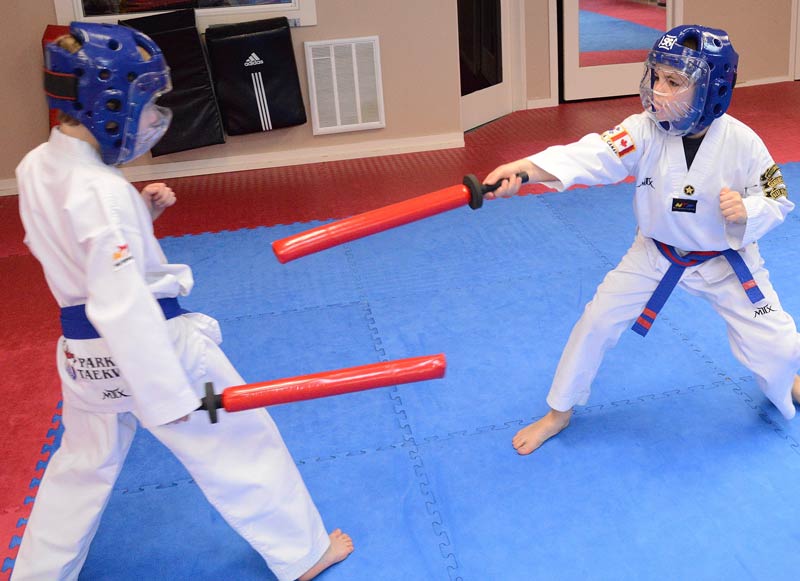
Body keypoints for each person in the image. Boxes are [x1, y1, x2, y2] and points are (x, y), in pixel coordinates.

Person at [13, 22, 352, 580]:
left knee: (80, 466)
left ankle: (37, 574)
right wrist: (170, 397)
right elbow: (123, 303)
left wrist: (137, 219)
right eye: (148, 105)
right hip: (159, 353)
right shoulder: (102, 193)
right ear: (109, 102)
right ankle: (303, 554)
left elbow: (64, 247)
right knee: (241, 441)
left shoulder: (35, 168)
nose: (154, 120)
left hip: (83, 363)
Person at [483, 24, 800, 455]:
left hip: (726, 263)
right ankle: (559, 410)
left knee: (782, 346)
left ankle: (785, 383)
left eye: (674, 82)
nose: (658, 91)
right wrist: (528, 169)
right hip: (654, 256)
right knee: (595, 322)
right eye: (655, 77)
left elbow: (779, 197)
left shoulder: (744, 142)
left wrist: (750, 211)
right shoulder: (644, 129)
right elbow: (593, 153)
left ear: (713, 89)